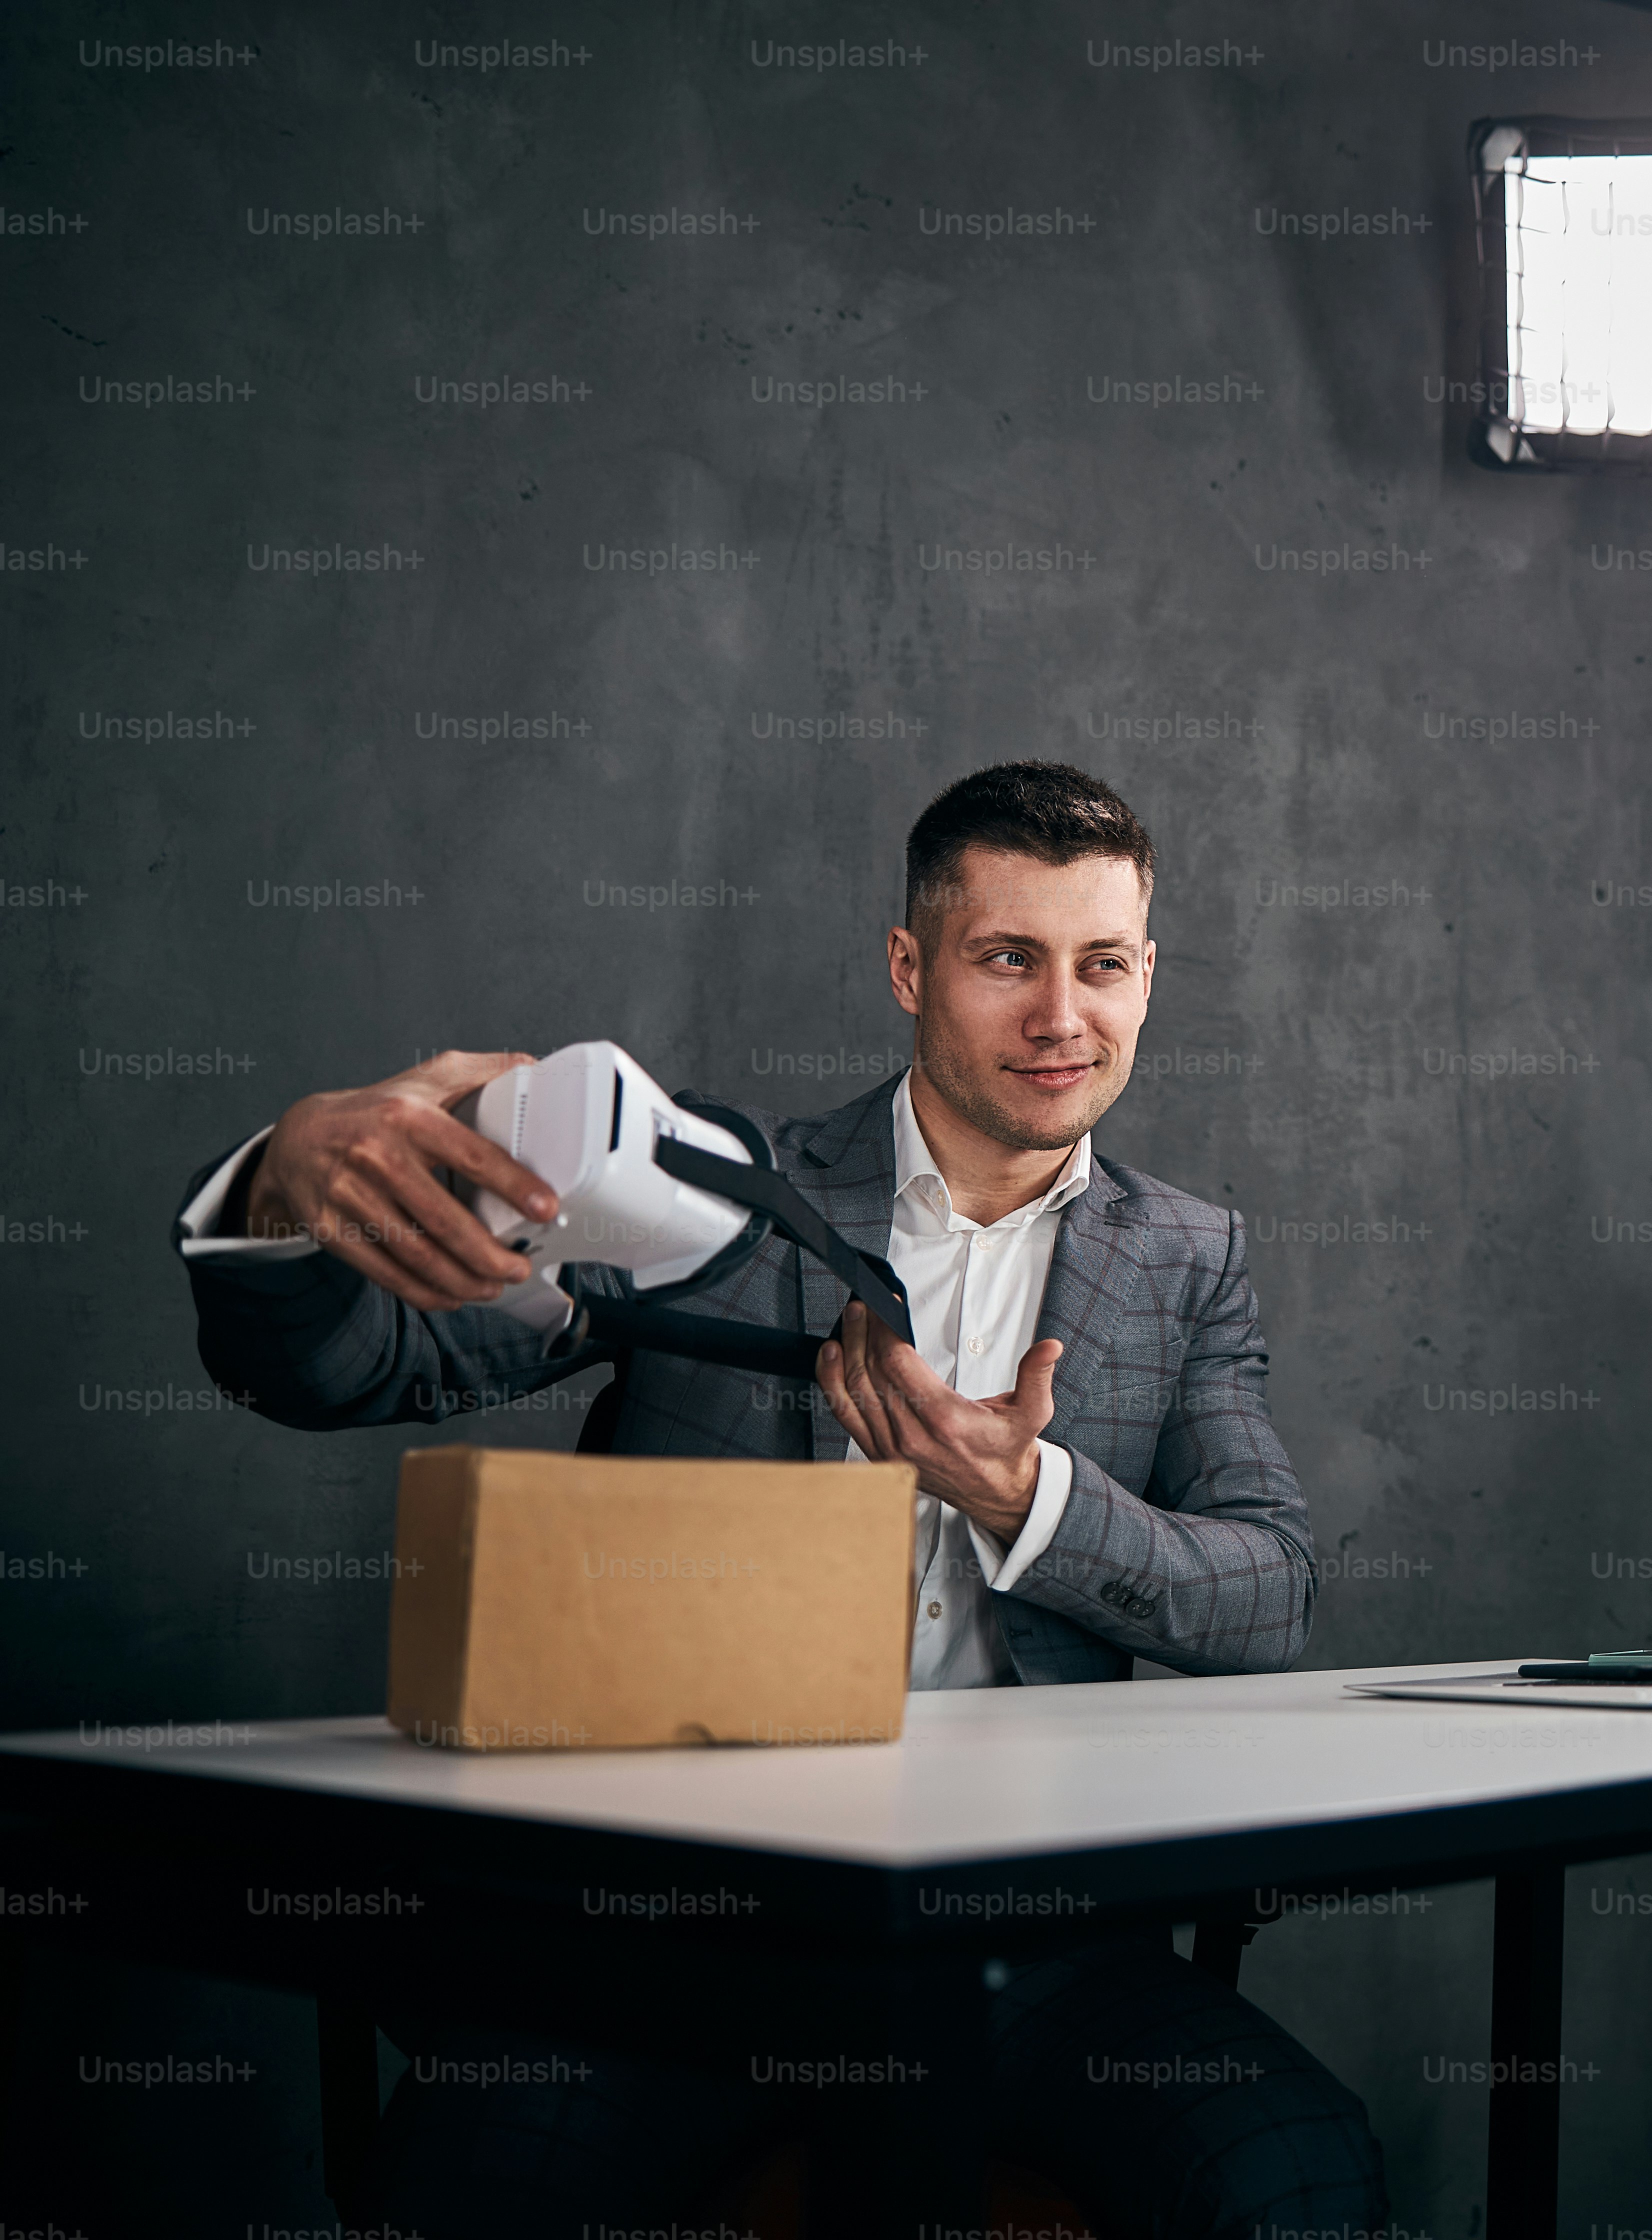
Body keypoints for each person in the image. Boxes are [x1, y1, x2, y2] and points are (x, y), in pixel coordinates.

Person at [172, 760, 1383, 2238]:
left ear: (1149, 977)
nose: (1064, 1018)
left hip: (1041, 1951)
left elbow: (1267, 1593)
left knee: (1303, 2173)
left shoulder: (1189, 1256)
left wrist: (1029, 1500)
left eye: (1104, 965)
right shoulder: (723, 1198)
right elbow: (351, 1372)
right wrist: (281, 1196)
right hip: (681, 1940)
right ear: (910, 967)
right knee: (466, 2196)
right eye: (1009, 958)